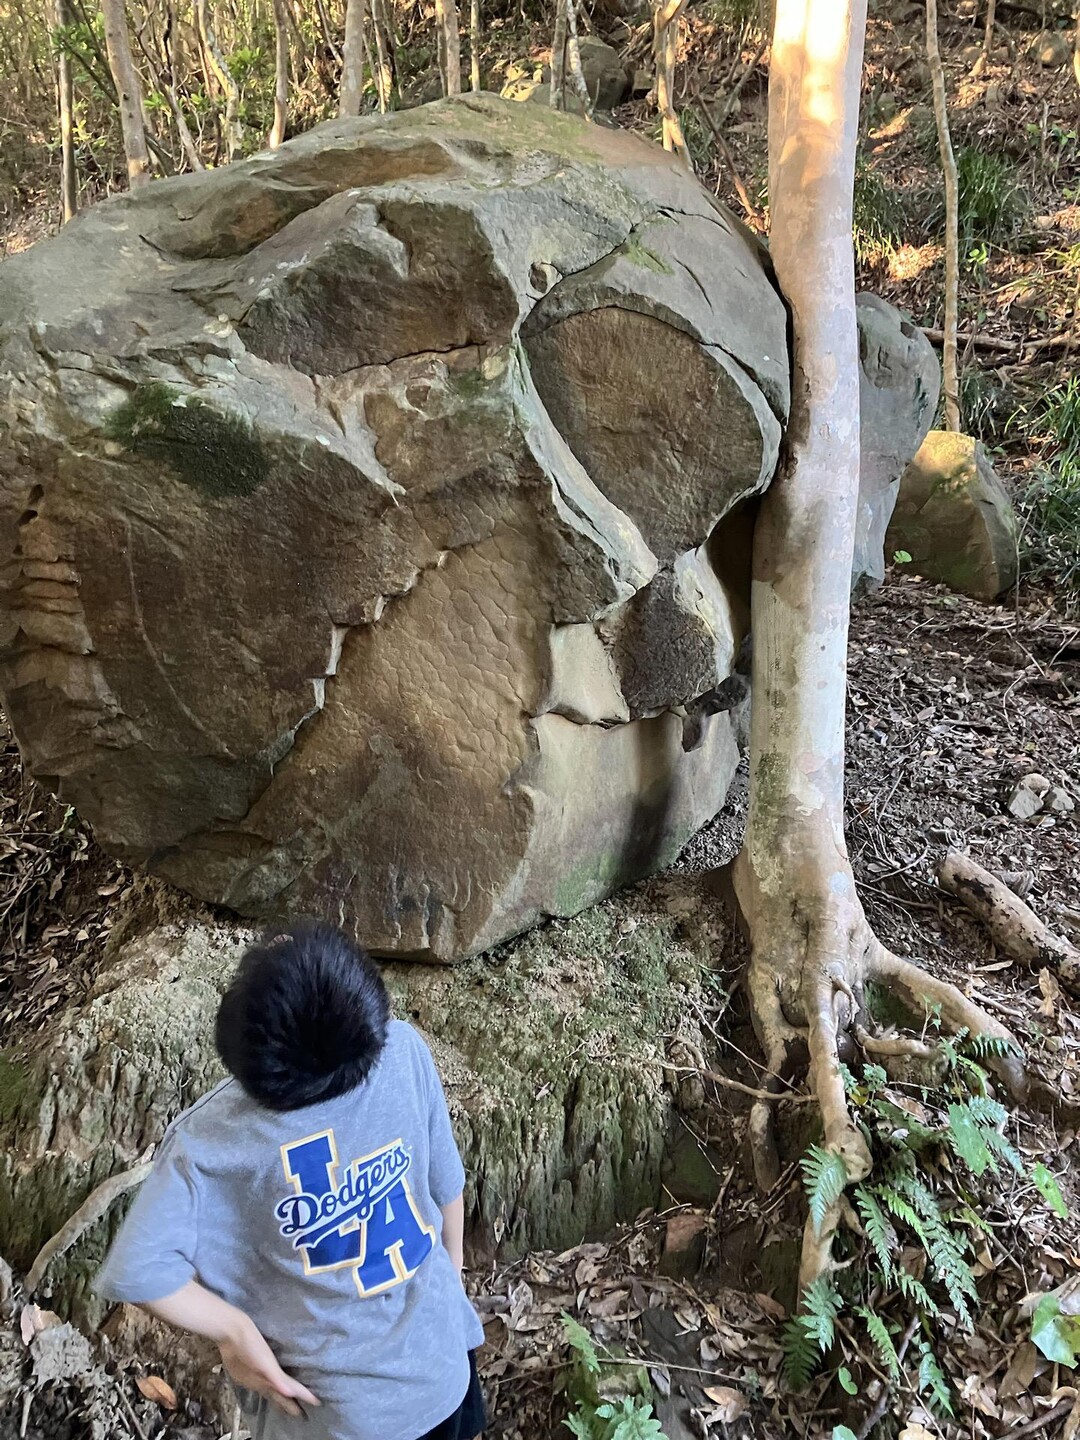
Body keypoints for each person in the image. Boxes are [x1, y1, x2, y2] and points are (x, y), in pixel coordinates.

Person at [96, 921, 486, 1440]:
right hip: (443, 1374)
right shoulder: (404, 1052)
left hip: (333, 1415)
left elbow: (137, 1270)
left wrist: (234, 1332)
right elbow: (448, 1187)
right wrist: (452, 1272)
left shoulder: (210, 1139)